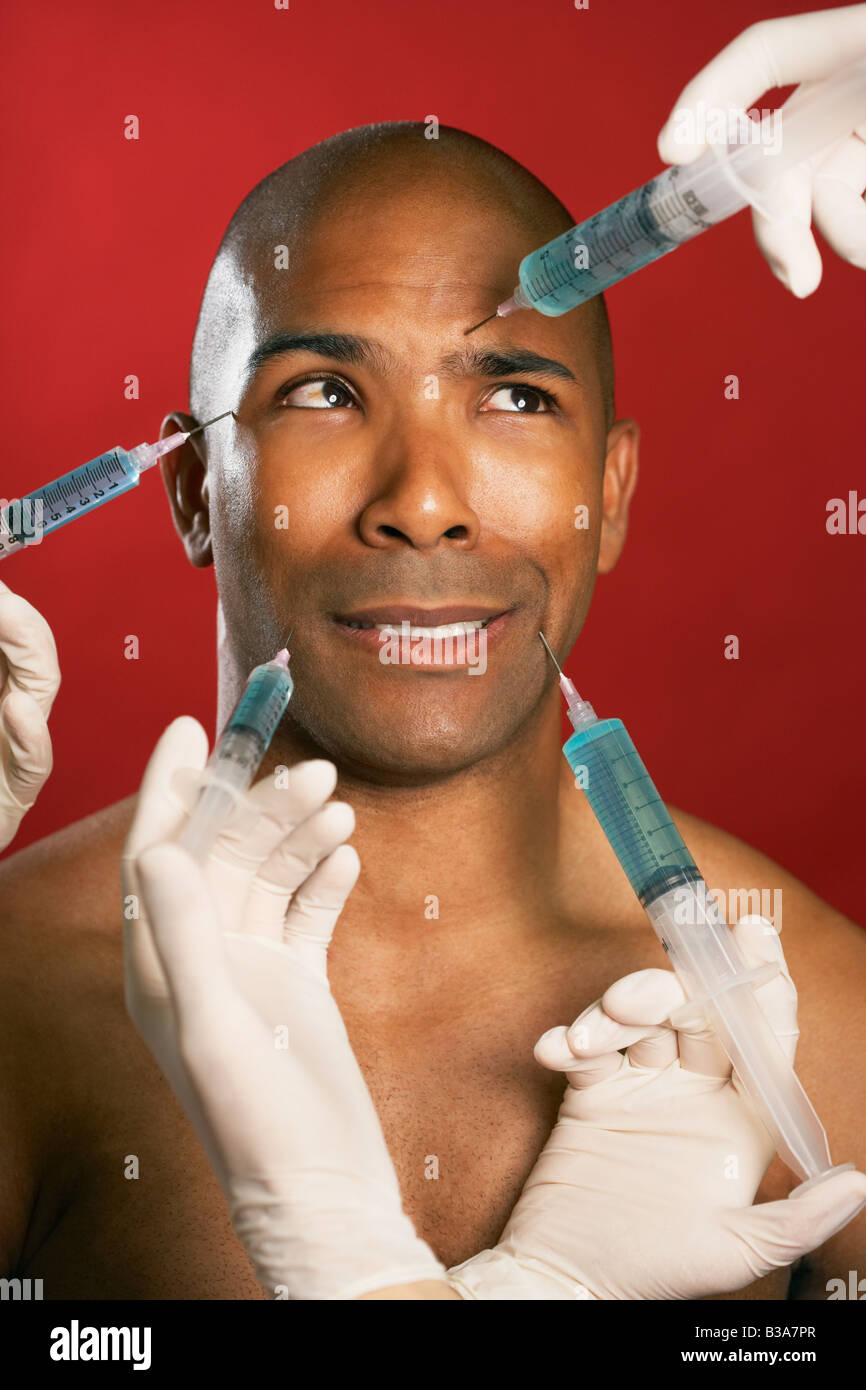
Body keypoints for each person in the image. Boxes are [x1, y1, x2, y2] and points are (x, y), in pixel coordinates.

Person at [1, 9, 864, 1300]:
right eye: (323, 392)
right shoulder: (21, 995)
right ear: (190, 490)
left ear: (611, 492)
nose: (422, 499)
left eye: (513, 393)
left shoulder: (820, 1029)